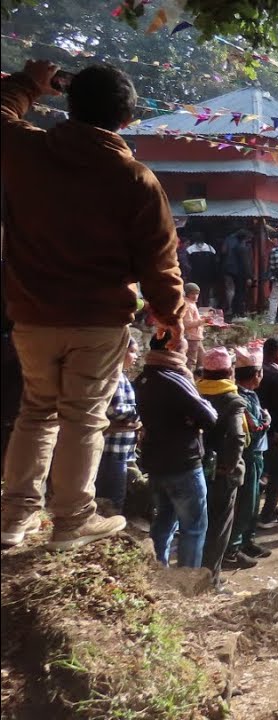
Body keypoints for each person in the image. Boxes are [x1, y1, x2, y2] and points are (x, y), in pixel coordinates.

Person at [1, 60, 186, 549]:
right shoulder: (136, 180)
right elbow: (160, 263)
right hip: (98, 321)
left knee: (36, 411)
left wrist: (28, 85)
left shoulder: (25, 149)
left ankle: (13, 518)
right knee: (83, 417)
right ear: (126, 121)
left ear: (68, 103)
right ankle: (71, 520)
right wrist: (170, 317)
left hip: (31, 313)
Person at [135, 332, 216, 567]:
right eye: (183, 343)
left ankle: (158, 571)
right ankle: (187, 582)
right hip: (183, 462)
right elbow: (209, 416)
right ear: (171, 347)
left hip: (156, 462)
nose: (188, 347)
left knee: (164, 521)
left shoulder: (143, 378)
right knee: (193, 527)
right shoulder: (173, 378)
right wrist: (192, 418)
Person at [195, 347, 248, 585]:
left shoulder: (195, 394)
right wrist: (231, 465)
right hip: (222, 472)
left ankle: (194, 572)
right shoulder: (232, 400)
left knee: (199, 524)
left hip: (197, 467)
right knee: (219, 527)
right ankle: (211, 579)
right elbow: (237, 436)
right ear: (229, 372)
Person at [224, 346, 272, 568]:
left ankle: (247, 540)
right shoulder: (242, 398)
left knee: (252, 502)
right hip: (249, 455)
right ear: (256, 375)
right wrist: (267, 421)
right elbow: (255, 427)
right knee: (246, 502)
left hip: (255, 454)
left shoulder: (247, 395)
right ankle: (234, 548)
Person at [95, 336, 140, 517]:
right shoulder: (115, 376)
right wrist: (139, 413)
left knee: (112, 495)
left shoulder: (120, 375)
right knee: (112, 498)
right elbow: (114, 409)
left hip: (119, 449)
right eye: (132, 351)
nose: (135, 356)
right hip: (112, 449)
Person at [256, 338, 278, 528]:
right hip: (271, 430)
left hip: (254, 428)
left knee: (260, 470)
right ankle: (266, 515)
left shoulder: (256, 369)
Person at [222, 230, 251, 318]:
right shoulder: (243, 249)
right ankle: (240, 313)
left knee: (236, 292)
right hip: (241, 274)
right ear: (245, 239)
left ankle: (235, 312)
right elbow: (246, 264)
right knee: (240, 293)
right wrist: (249, 276)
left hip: (233, 272)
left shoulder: (235, 248)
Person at [182, 283, 205, 370]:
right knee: (191, 362)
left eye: (197, 294)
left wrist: (203, 320)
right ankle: (188, 380)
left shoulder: (192, 303)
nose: (195, 296)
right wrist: (203, 321)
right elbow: (187, 324)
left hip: (196, 337)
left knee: (202, 360)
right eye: (192, 293)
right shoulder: (187, 305)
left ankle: (199, 380)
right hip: (191, 338)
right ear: (187, 293)